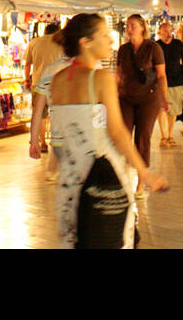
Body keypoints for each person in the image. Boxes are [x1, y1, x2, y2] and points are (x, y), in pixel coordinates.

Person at [47, 14, 168, 248]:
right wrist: (144, 173)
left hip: (70, 183)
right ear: (86, 42)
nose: (111, 41)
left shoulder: (58, 80)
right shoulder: (100, 79)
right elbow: (118, 133)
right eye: (104, 35)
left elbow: (60, 136)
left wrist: (52, 166)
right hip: (104, 178)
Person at [116, 14, 168, 193]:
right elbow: (118, 74)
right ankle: (121, 178)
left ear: (142, 28)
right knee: (123, 134)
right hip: (125, 98)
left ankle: (140, 180)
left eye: (133, 26)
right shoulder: (123, 50)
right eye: (127, 26)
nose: (129, 29)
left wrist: (164, 97)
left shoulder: (153, 48)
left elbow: (161, 75)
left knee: (143, 137)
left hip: (148, 98)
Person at [24, 22, 62, 164]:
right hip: (58, 83)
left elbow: (27, 64)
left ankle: (42, 142)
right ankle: (55, 141)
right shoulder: (61, 43)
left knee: (39, 113)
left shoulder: (34, 42)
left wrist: (27, 79)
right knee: (56, 113)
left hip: (38, 82)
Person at [156, 19, 183, 148]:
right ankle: (163, 136)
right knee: (162, 109)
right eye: (165, 31)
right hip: (160, 83)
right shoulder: (156, 45)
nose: (168, 34)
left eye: (170, 31)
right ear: (159, 33)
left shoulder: (178, 44)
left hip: (176, 81)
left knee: (174, 110)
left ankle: (169, 135)